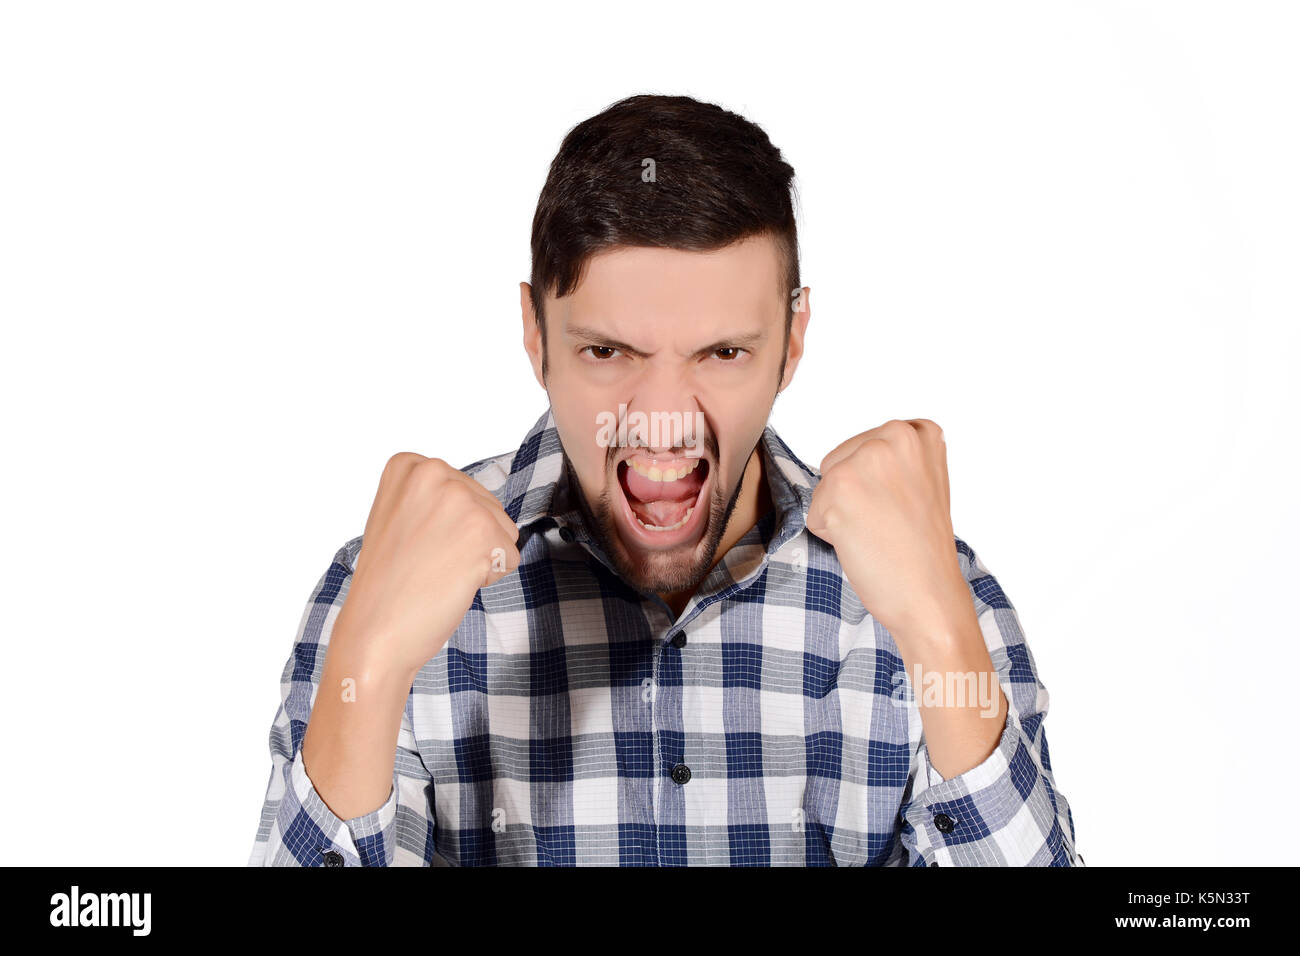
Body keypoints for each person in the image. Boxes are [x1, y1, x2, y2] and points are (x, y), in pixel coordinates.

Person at [248, 93, 1081, 866]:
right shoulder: (385, 584)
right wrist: (370, 662)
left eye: (723, 353)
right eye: (608, 352)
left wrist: (939, 628)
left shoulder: (926, 587)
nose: (660, 419)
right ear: (535, 337)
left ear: (792, 345)